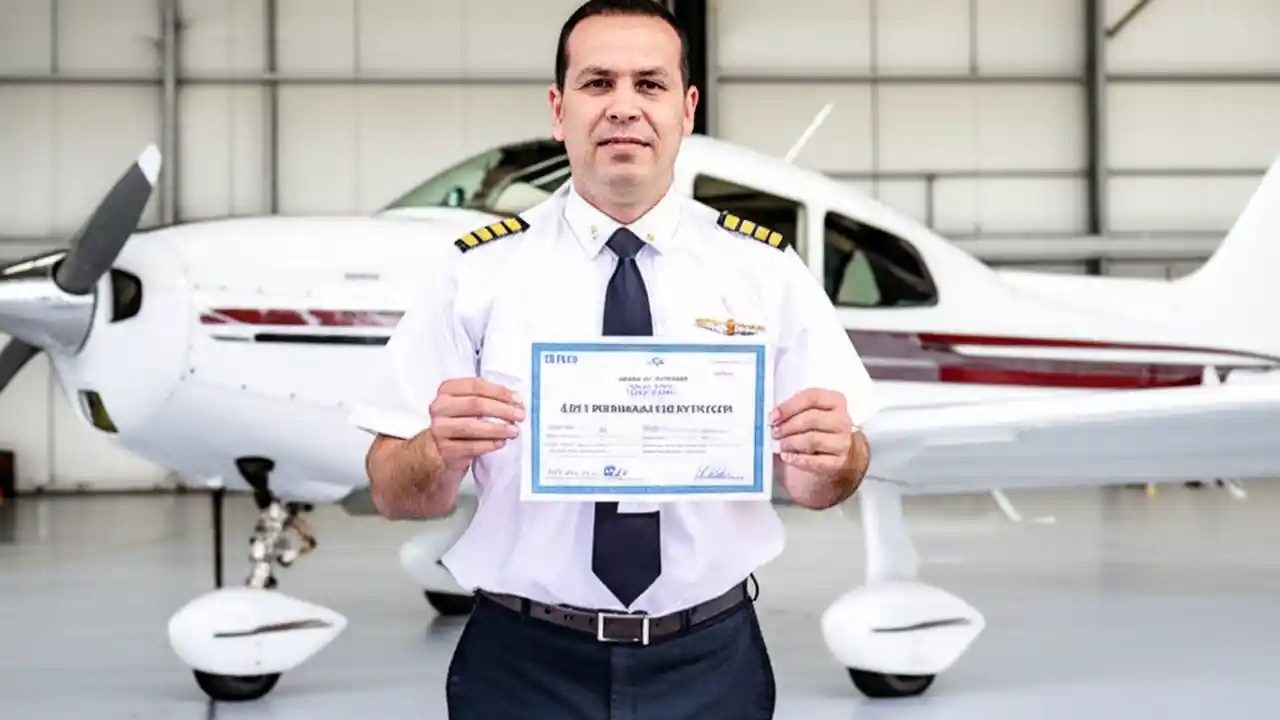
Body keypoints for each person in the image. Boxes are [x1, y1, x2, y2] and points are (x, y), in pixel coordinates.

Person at [350, 1, 877, 717]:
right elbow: (393, 490)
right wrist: (438, 451)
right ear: (558, 108)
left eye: (650, 85)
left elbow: (827, 482)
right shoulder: (475, 273)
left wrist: (833, 459)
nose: (624, 107)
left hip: (710, 661)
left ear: (687, 109)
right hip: (521, 663)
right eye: (598, 83)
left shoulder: (766, 269)